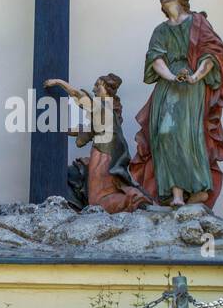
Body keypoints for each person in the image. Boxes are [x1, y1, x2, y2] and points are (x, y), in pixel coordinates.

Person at [130, 0, 223, 208]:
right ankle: (175, 194)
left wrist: (195, 76)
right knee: (164, 134)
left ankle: (197, 188)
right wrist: (171, 77)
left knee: (188, 134)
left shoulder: (198, 23)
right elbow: (156, 58)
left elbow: (213, 53)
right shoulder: (161, 30)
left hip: (193, 88)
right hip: (168, 87)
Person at [44, 73, 149, 213]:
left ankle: (133, 199)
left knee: (99, 197)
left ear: (106, 88)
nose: (94, 89)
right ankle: (132, 199)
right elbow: (89, 130)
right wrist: (62, 129)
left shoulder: (103, 106)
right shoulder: (107, 109)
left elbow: (77, 95)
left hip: (103, 153)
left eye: (97, 86)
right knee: (100, 193)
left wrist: (58, 81)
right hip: (104, 151)